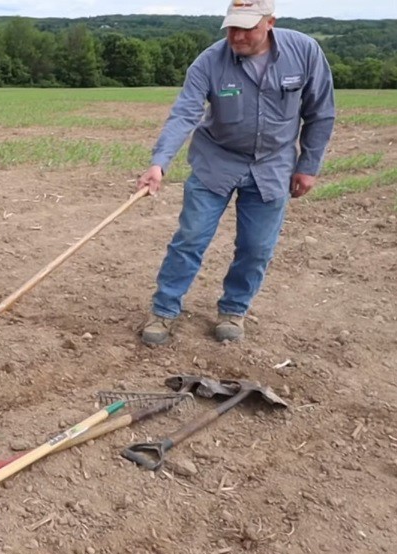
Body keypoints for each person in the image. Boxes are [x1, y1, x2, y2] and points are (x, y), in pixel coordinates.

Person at [136, 0, 335, 345]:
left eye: (247, 28)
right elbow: (184, 113)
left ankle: (233, 309)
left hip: (272, 165)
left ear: (270, 22)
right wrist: (159, 162)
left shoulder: (304, 52)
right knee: (191, 239)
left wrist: (308, 166)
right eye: (232, 27)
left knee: (256, 248)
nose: (237, 36)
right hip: (217, 161)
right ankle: (164, 310)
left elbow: (321, 112)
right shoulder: (209, 62)